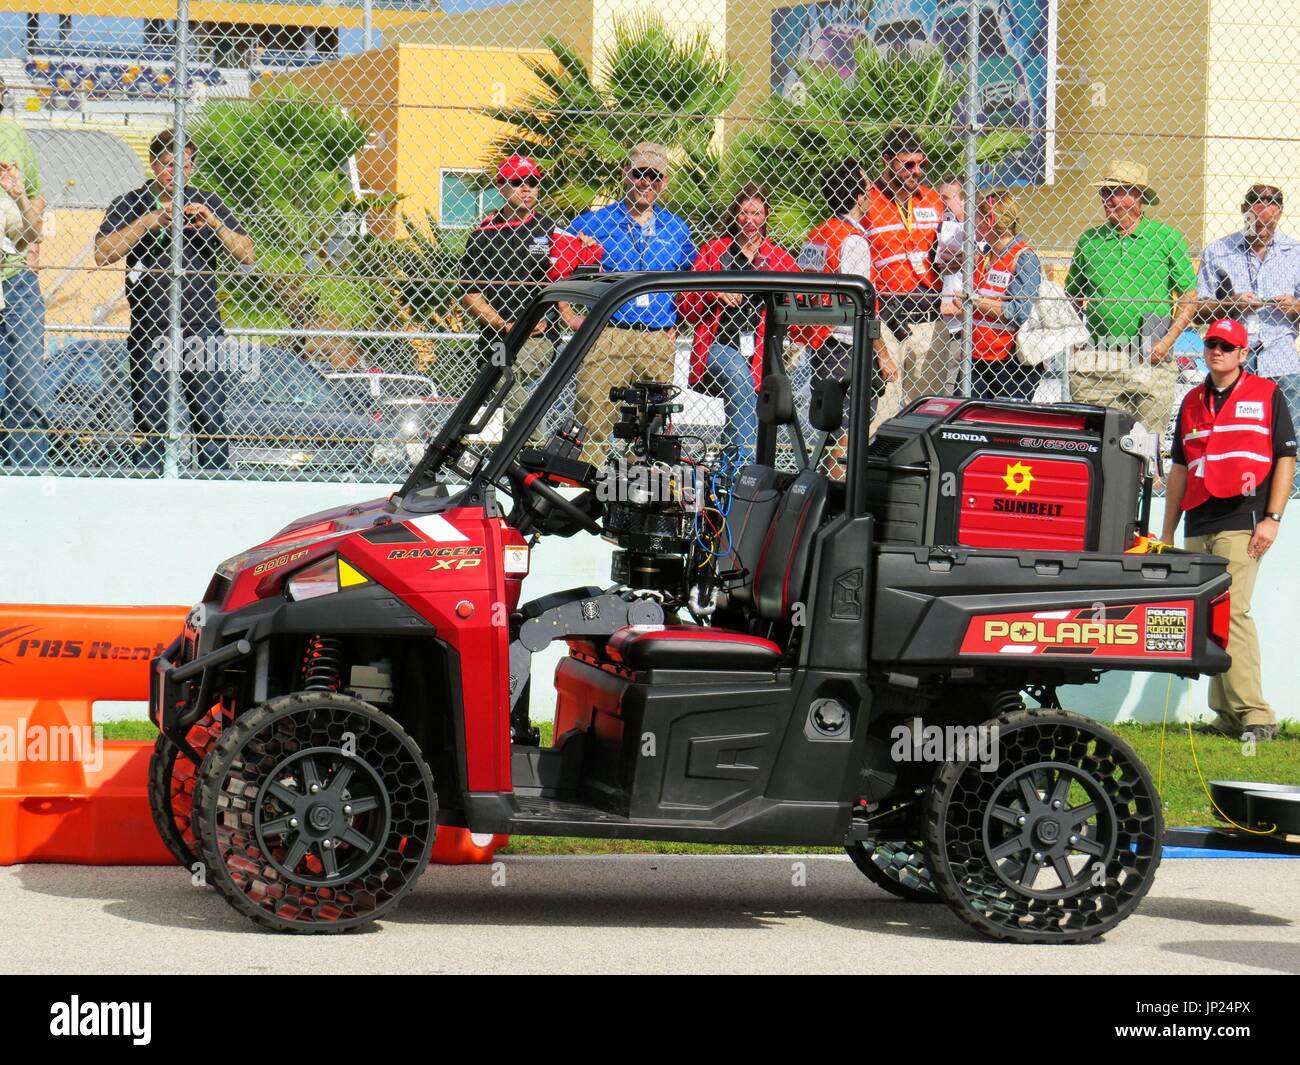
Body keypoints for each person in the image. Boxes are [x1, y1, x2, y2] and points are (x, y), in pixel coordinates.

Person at [1161, 318, 1296, 741]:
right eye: (1211, 344)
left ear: (1242, 354)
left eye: (1226, 345)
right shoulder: (1190, 401)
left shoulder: (1268, 393)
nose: (1216, 351)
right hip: (1199, 516)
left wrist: (1273, 519)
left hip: (1245, 517)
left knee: (1234, 610)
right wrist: (1167, 532)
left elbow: (1285, 460)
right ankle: (1227, 714)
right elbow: (1180, 468)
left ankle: (1256, 714)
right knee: (1209, 614)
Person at [95, 129, 253, 471]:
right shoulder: (131, 203)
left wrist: (213, 224)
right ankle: (152, 490)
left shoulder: (206, 202)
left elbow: (247, 252)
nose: (177, 173)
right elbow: (102, 253)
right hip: (151, 328)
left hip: (202, 328)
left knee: (210, 420)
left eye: (185, 165)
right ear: (154, 164)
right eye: (169, 166)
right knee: (152, 422)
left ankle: (214, 488)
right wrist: (150, 222)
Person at [566, 143, 696, 452]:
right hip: (609, 332)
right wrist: (568, 315)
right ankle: (586, 493)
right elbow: (559, 263)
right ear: (626, 175)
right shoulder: (596, 222)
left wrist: (678, 322)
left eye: (654, 176)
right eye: (639, 174)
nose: (645, 183)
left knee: (651, 431)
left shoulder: (676, 228)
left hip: (656, 338)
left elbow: (689, 279)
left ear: (664, 182)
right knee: (593, 419)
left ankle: (641, 493)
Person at [458, 155, 594, 430]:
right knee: (496, 376)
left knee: (507, 379)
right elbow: (469, 293)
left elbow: (561, 275)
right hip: (496, 336)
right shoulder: (483, 234)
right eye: (517, 182)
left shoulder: (550, 230)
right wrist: (503, 324)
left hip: (539, 334)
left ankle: (531, 440)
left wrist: (584, 246)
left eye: (532, 182)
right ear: (502, 187)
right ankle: (519, 452)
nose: (526, 188)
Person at [1064, 160, 1197, 434]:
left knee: (1147, 444)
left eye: (1117, 192)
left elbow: (1188, 295)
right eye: (1104, 193)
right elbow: (1072, 297)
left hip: (1150, 354)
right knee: (1100, 442)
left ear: (1138, 196)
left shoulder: (1166, 238)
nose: (1108, 199)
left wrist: (1167, 341)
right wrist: (1076, 341)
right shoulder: (1090, 241)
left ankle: (1148, 479)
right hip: (1100, 354)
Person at [678, 184, 798, 462]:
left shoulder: (778, 258)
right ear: (734, 216)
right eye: (743, 212)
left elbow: (798, 305)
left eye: (756, 213)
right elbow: (685, 305)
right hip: (716, 347)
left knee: (745, 398)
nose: (749, 219)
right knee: (736, 376)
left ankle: (726, 471)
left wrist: (796, 343)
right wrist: (714, 293)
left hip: (759, 353)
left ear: (766, 216)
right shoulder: (715, 251)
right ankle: (742, 469)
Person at [1197, 184, 1300, 456]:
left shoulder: (1296, 252)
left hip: (1281, 359)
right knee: (1233, 435)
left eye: (1269, 221)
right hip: (1233, 360)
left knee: (1287, 441)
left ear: (1280, 214)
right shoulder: (1219, 251)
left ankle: (1290, 496)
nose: (1263, 225)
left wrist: (1294, 306)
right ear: (1244, 211)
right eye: (1256, 219)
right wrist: (1231, 303)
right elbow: (1199, 310)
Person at [796, 158, 898, 424]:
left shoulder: (817, 234)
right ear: (858, 197)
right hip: (846, 345)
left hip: (819, 339)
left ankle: (828, 467)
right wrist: (883, 355)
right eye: (866, 188)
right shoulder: (852, 240)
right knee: (850, 429)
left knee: (830, 427)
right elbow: (863, 305)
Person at [864, 127, 956, 409]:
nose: (916, 171)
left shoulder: (933, 200)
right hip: (886, 319)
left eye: (921, 164)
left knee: (928, 412)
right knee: (882, 413)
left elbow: (953, 247)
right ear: (887, 160)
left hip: (929, 319)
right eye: (908, 164)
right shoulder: (868, 201)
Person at [952, 187, 1043, 400]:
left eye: (978, 217)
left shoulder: (1022, 257)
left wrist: (973, 301)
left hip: (1009, 363)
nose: (974, 223)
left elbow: (1019, 311)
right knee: (962, 418)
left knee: (1005, 426)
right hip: (977, 357)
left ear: (990, 220)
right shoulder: (984, 257)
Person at [0, 76, 48, 469]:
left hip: (14, 278)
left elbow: (36, 193)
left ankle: (29, 470)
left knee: (27, 381)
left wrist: (31, 244)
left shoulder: (13, 135)